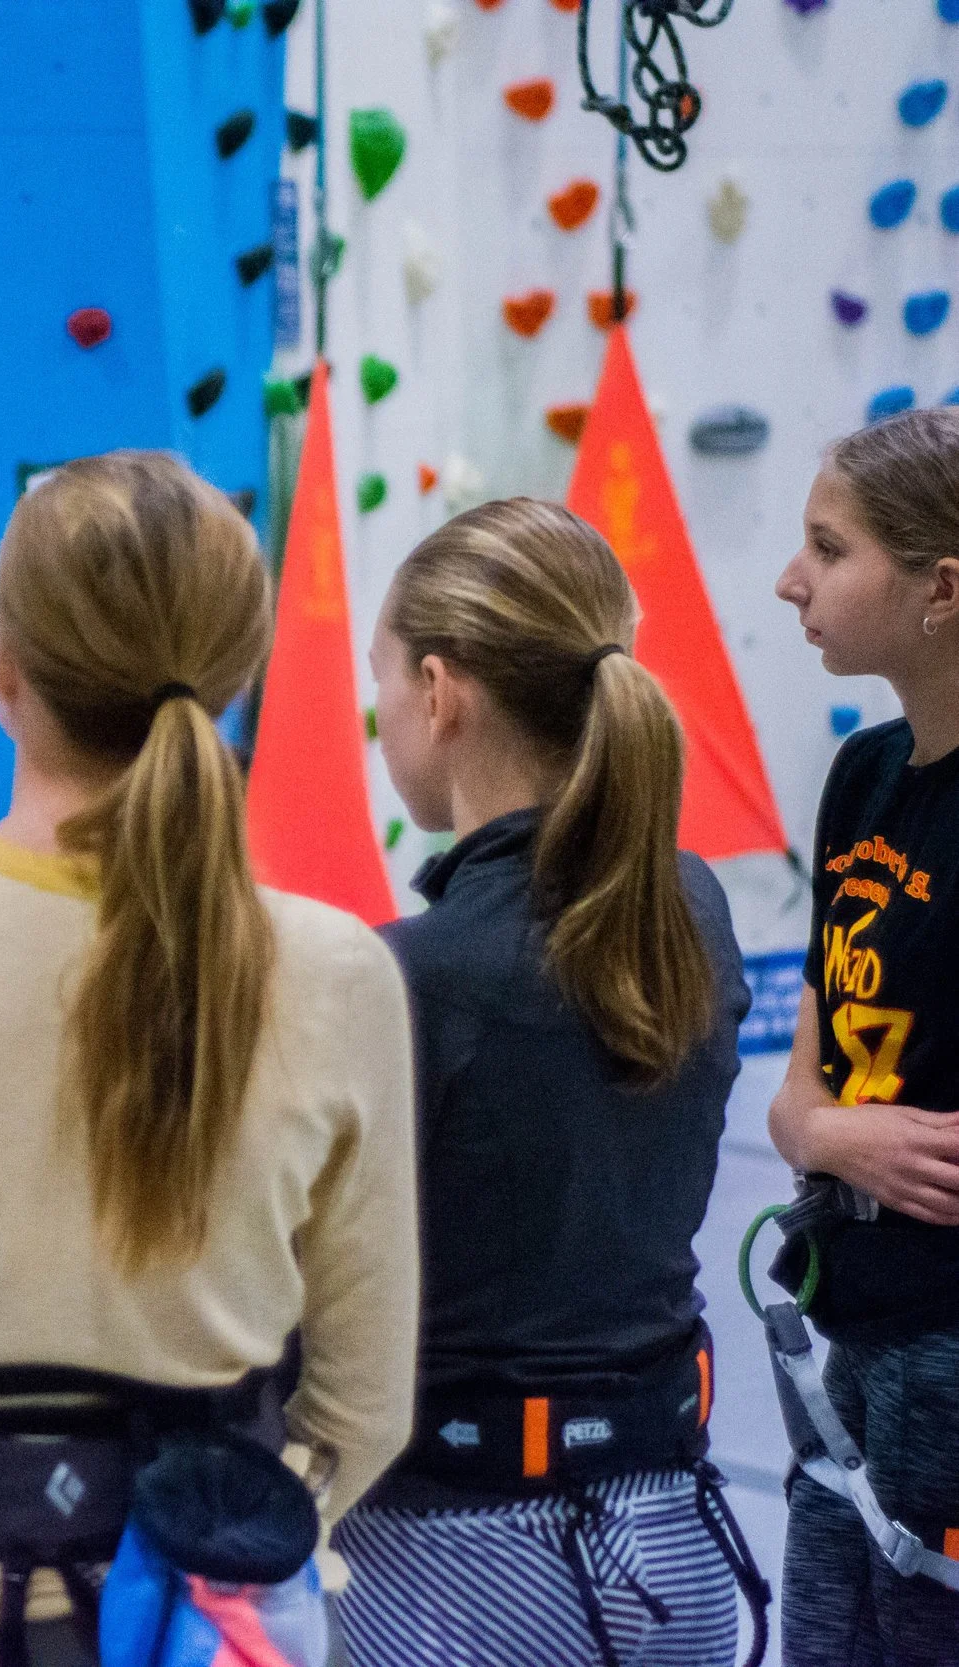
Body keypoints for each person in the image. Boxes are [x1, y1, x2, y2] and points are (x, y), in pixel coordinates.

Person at [0, 450, 418, 1667]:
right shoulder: (337, 969)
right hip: (222, 1615)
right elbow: (362, 1406)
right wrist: (228, 1539)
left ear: (0, 663)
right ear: (232, 671)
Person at [331, 499, 760, 1667]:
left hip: (456, 1573)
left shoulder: (405, 978)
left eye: (380, 683)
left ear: (437, 689)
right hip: (672, 1548)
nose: (378, 720)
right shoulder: (693, 908)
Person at [767, 406, 959, 1666]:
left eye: (827, 550)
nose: (791, 579)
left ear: (940, 587)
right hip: (858, 1325)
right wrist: (831, 1134)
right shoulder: (863, 776)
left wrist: (835, 1136)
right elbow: (795, 1098)